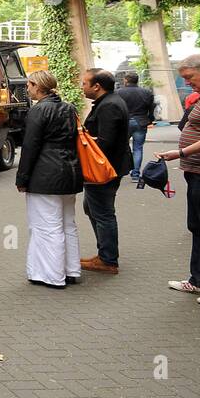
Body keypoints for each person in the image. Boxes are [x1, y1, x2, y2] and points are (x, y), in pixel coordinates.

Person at [17, 70, 83, 290]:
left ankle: (51, 275)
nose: (27, 88)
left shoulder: (38, 110)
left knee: (46, 226)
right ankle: (70, 269)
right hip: (69, 171)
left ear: (37, 85)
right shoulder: (69, 108)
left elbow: (30, 147)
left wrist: (22, 177)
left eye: (29, 84)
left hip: (44, 174)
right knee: (68, 223)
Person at [157, 54, 200, 306]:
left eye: (190, 77)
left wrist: (182, 152)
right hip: (198, 172)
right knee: (198, 228)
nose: (188, 83)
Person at [80, 69, 131, 275]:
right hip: (108, 167)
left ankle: (108, 259)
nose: (81, 87)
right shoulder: (110, 102)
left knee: (102, 213)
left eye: (84, 83)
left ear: (97, 86)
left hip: (103, 169)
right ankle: (104, 254)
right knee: (92, 208)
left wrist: (83, 140)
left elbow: (105, 143)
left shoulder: (109, 105)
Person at [116, 71, 156, 180]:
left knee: (121, 146)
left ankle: (120, 171)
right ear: (137, 80)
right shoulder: (146, 92)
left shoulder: (119, 93)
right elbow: (151, 107)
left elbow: (115, 108)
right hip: (141, 121)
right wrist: (150, 119)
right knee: (138, 148)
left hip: (124, 122)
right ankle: (135, 174)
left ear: (125, 80)